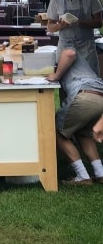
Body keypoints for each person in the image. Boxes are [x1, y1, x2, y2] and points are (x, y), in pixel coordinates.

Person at [46, 48, 103, 185]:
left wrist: (56, 76)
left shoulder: (64, 51)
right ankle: (100, 173)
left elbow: (69, 53)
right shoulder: (84, 63)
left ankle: (82, 176)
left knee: (56, 131)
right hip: (99, 96)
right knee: (82, 131)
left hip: (84, 96)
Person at [46, 0, 103, 75]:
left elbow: (99, 22)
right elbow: (50, 27)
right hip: (65, 46)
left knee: (90, 79)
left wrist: (80, 22)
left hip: (86, 47)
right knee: (64, 79)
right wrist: (60, 26)